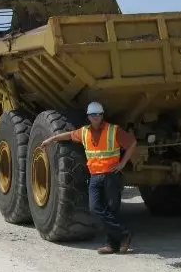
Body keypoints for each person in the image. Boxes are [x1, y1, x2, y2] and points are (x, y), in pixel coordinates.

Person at [40, 101, 137, 254]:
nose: (96, 117)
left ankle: (112, 245)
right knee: (95, 208)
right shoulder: (84, 132)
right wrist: (52, 139)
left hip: (111, 175)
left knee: (112, 209)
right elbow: (70, 135)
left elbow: (132, 143)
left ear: (102, 115)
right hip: (94, 177)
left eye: (98, 115)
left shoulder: (113, 130)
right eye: (93, 115)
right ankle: (124, 234)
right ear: (88, 117)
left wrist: (123, 164)